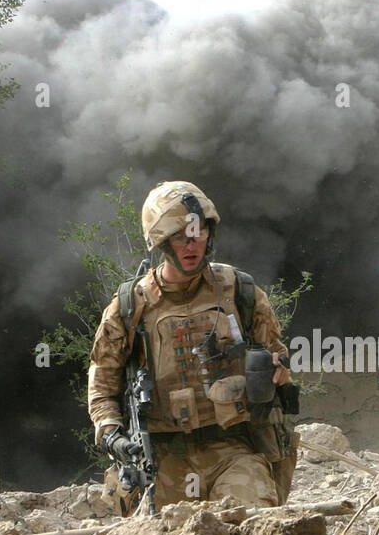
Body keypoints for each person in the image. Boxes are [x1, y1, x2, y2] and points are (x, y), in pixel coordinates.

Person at [87, 180, 297, 511]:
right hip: (165, 459)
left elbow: (278, 355)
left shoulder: (239, 291)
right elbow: (102, 385)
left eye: (199, 232)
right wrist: (114, 436)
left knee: (255, 525)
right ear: (160, 241)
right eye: (180, 235)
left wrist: (276, 371)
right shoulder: (129, 306)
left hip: (233, 449)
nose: (192, 243)